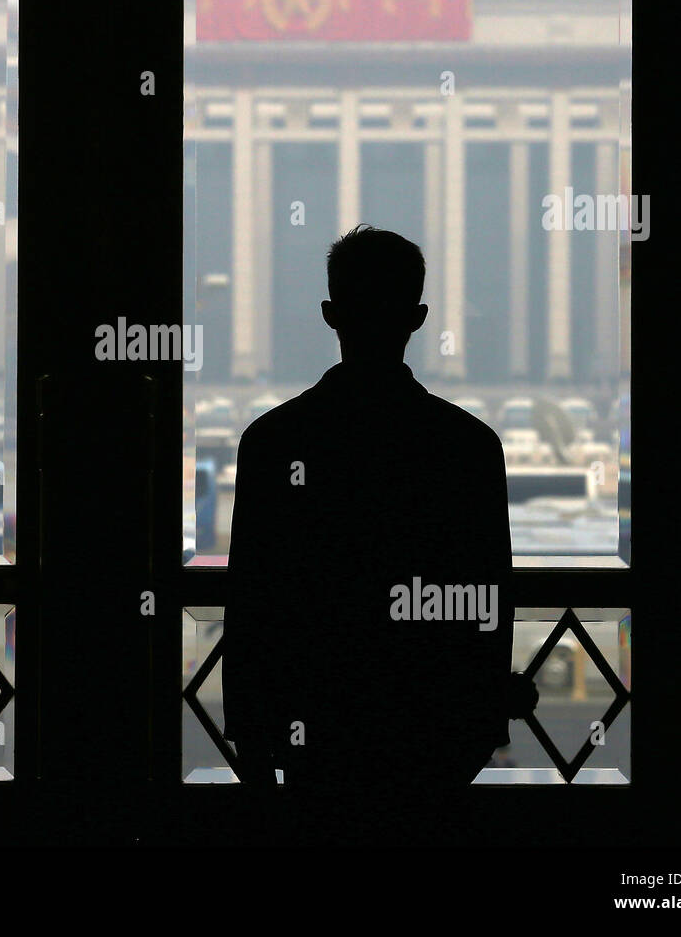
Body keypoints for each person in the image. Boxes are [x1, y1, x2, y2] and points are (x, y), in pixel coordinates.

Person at [222, 226, 534, 835]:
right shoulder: (467, 447)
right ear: (418, 318)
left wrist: (255, 746)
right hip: (431, 731)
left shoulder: (273, 442)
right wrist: (478, 719)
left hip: (316, 731)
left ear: (329, 315)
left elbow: (253, 601)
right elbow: (486, 597)